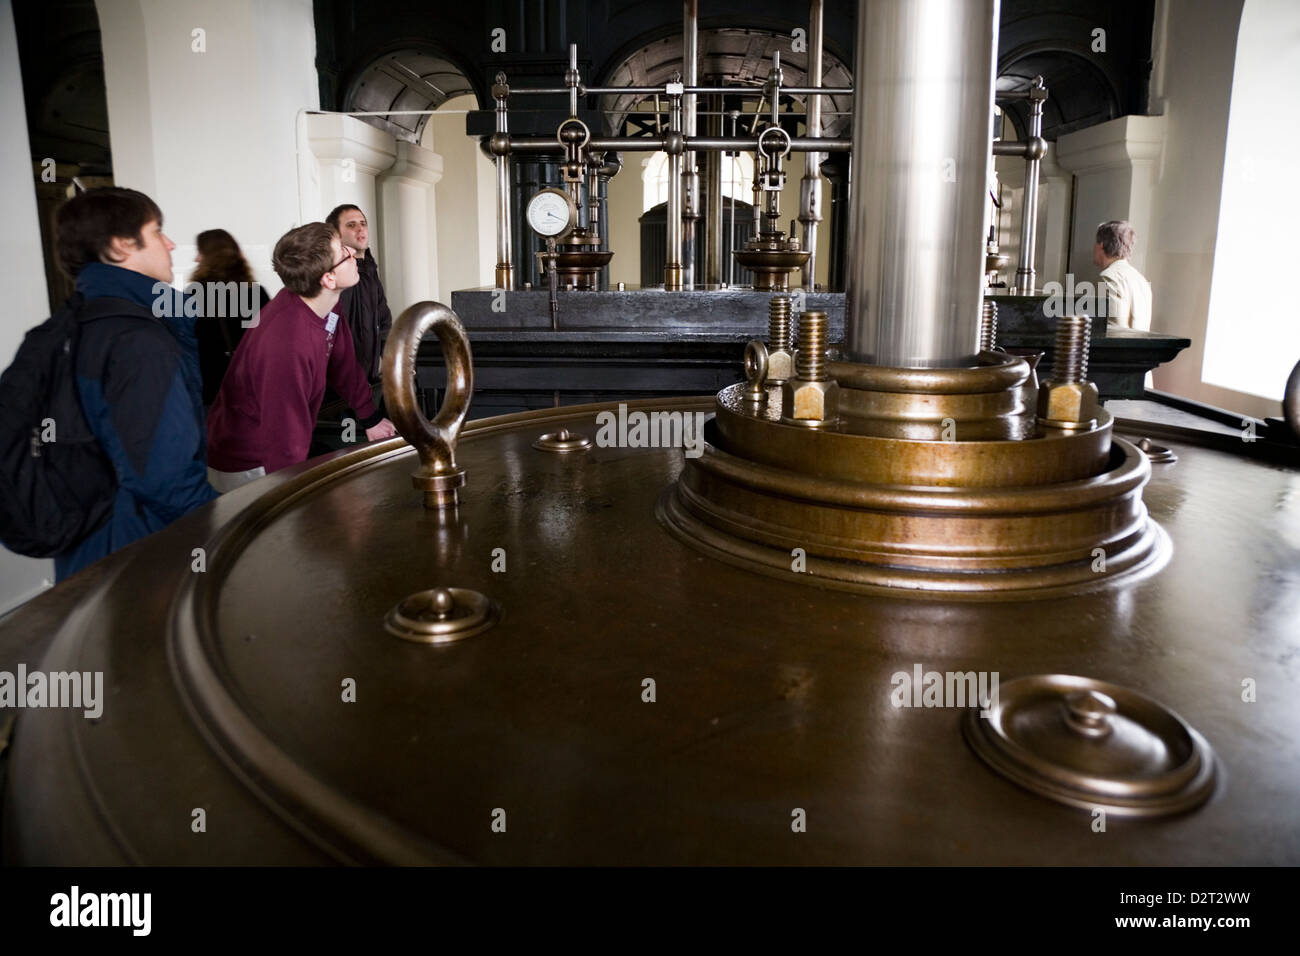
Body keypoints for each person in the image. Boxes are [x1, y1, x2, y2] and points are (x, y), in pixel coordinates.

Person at [50, 187, 218, 580]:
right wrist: (236, 524)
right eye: (158, 231)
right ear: (122, 245)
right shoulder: (138, 344)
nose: (171, 244)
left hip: (87, 550)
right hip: (138, 553)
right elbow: (168, 482)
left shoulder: (73, 323)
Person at [205, 223, 397, 492]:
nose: (352, 252)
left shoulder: (326, 303)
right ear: (328, 278)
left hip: (284, 446)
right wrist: (292, 503)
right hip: (249, 462)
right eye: (343, 251)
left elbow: (343, 364)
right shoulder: (287, 343)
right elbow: (282, 439)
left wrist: (371, 418)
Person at [190, 228, 270, 406]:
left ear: (210, 257)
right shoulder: (256, 294)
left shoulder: (194, 296)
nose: (196, 258)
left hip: (210, 392)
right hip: (251, 389)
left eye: (200, 252)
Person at [326, 204, 391, 388]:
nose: (360, 228)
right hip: (338, 392)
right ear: (336, 235)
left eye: (363, 223)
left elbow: (385, 325)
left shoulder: (370, 270)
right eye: (351, 225)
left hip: (367, 384)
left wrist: (393, 366)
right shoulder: (333, 277)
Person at [1093, 220, 1153, 331]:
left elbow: (1112, 329)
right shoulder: (1141, 279)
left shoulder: (1109, 276)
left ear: (1101, 244)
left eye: (1095, 243)